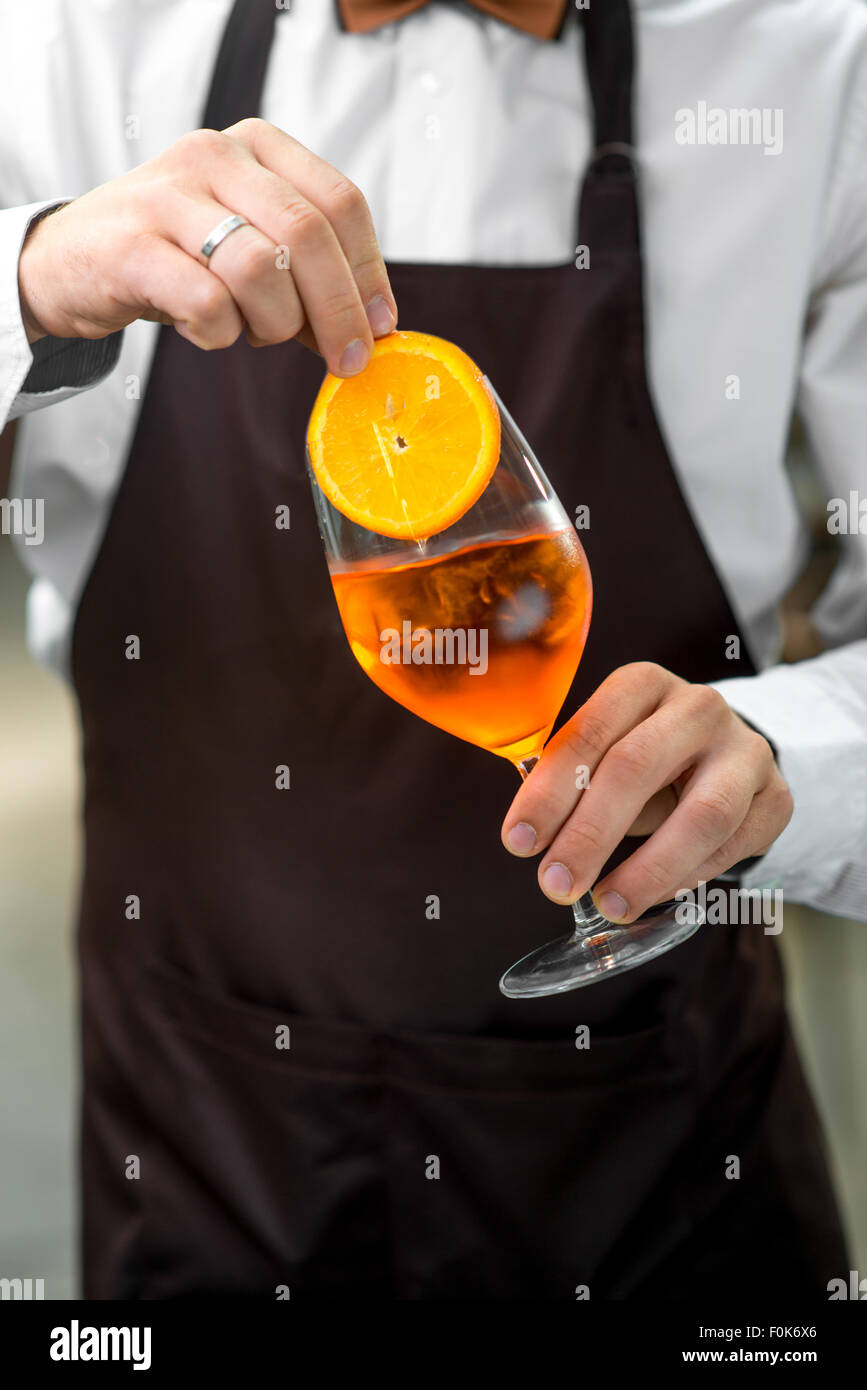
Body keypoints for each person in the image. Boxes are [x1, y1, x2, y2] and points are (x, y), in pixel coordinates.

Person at [1, 0, 864, 1300]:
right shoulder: (64, 42)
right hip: (201, 1134)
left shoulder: (819, 63)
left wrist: (780, 750)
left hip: (660, 1155)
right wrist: (23, 281)